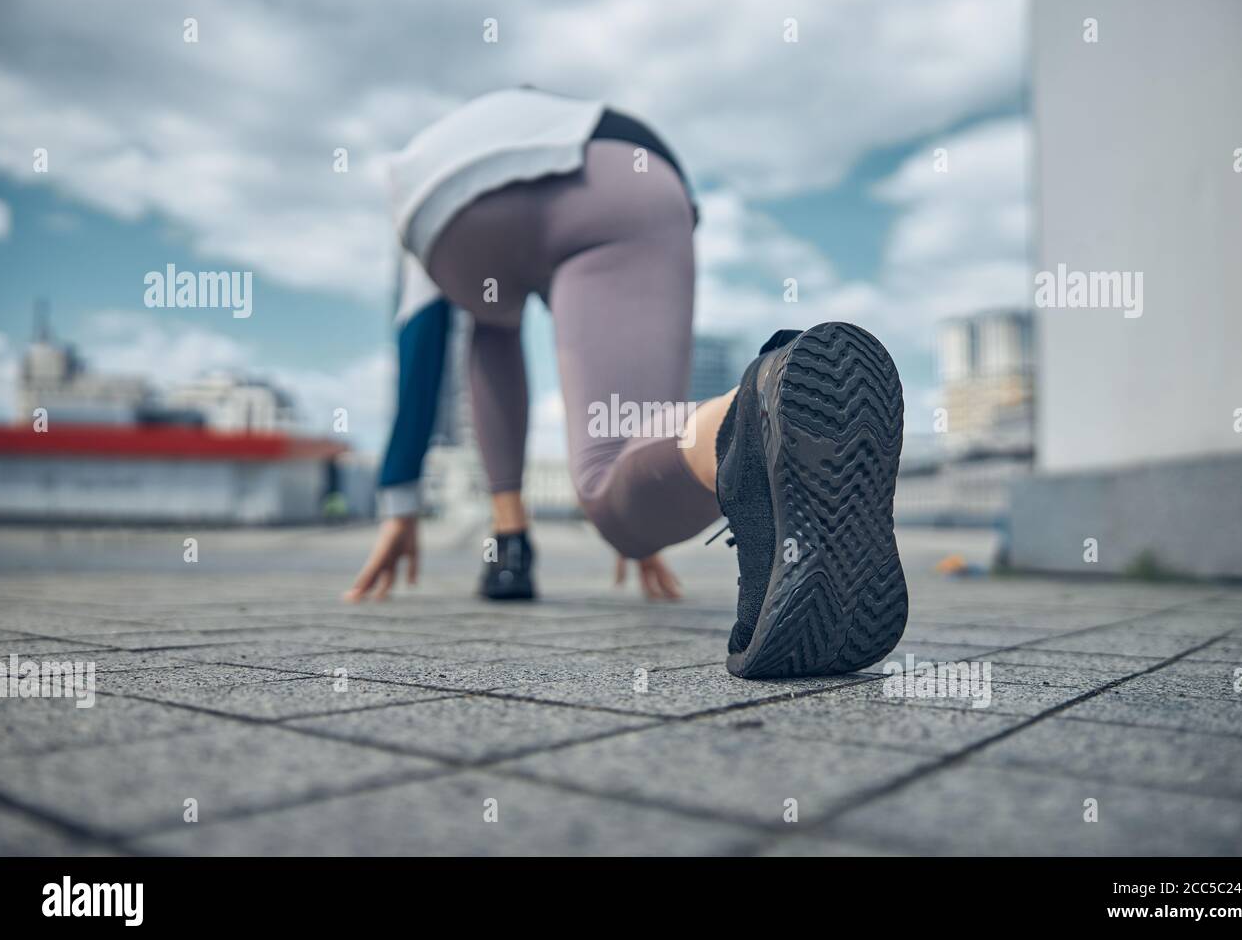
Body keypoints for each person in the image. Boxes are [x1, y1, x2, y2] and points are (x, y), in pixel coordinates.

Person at [345, 88, 908, 678]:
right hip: (631, 178)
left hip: (449, 216)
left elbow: (421, 341)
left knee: (490, 325)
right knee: (626, 445)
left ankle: (514, 546)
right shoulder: (555, 118)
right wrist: (646, 495)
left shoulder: (426, 158)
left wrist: (399, 504)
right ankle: (753, 413)